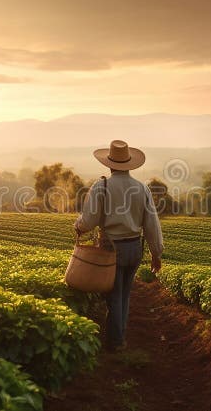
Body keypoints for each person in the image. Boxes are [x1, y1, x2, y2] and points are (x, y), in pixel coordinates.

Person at [74, 140, 164, 352]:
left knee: (114, 296)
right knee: (124, 294)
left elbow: (88, 221)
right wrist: (156, 253)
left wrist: (77, 226)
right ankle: (120, 336)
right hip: (135, 247)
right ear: (129, 164)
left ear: (109, 164)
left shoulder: (101, 186)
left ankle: (116, 343)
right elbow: (151, 223)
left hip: (111, 248)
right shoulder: (142, 188)